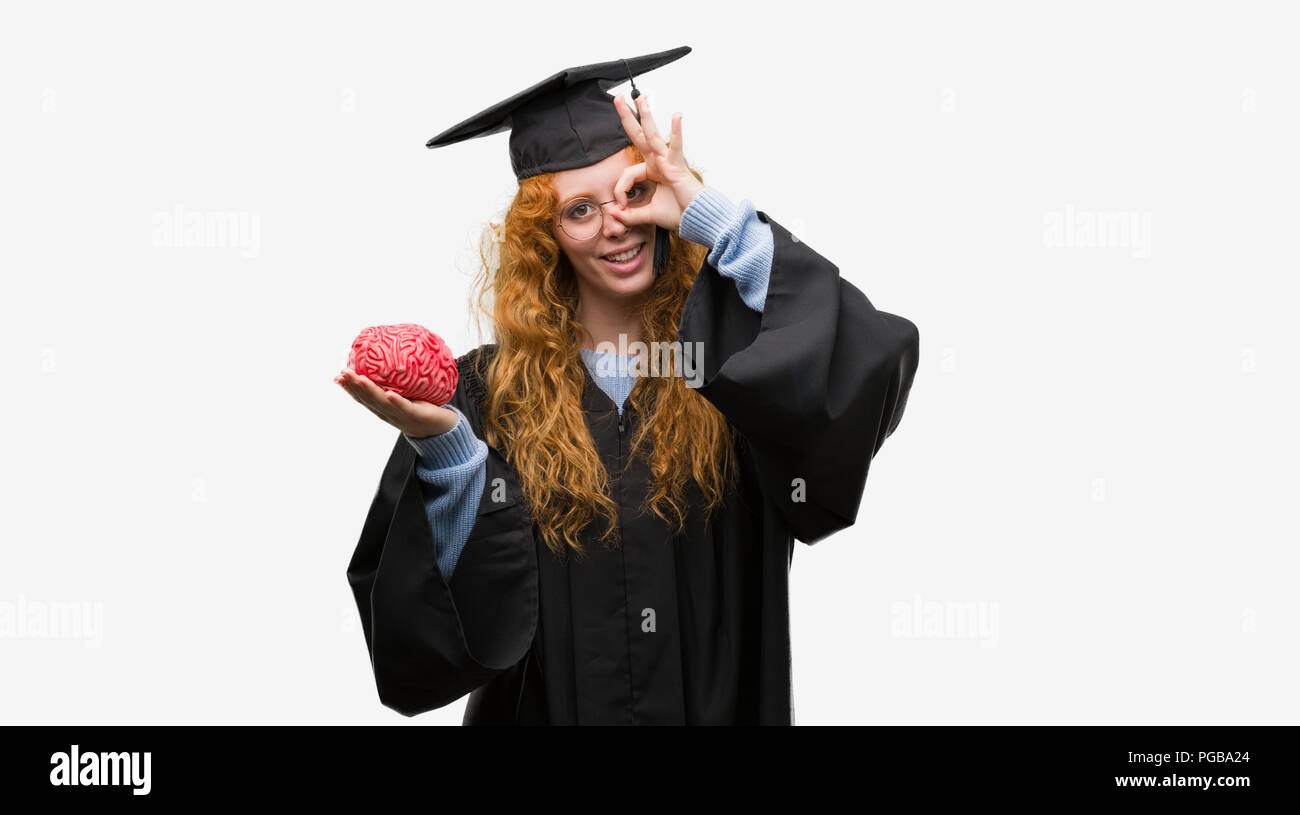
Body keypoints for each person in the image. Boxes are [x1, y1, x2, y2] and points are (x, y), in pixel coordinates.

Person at [336, 46, 920, 725]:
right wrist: (452, 457)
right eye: (579, 209)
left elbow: (870, 367)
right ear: (545, 238)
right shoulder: (486, 397)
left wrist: (712, 217)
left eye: (634, 191)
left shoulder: (736, 366)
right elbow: (423, 656)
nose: (616, 223)